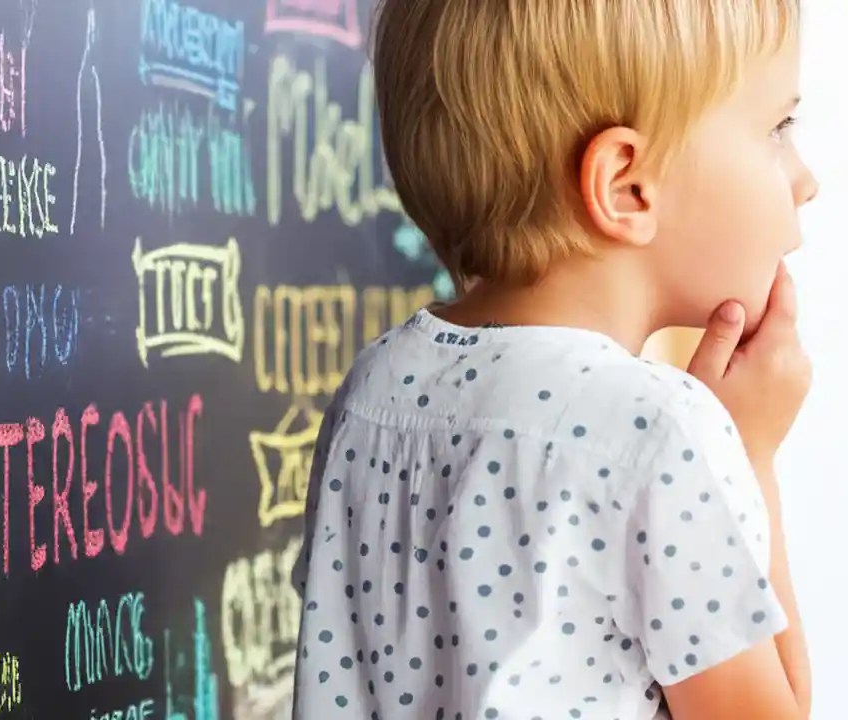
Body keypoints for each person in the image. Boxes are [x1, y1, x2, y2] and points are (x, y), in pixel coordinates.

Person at [291, 1, 819, 718]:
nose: (805, 179)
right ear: (626, 187)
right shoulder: (659, 431)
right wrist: (751, 451)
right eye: (778, 129)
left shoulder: (374, 390)